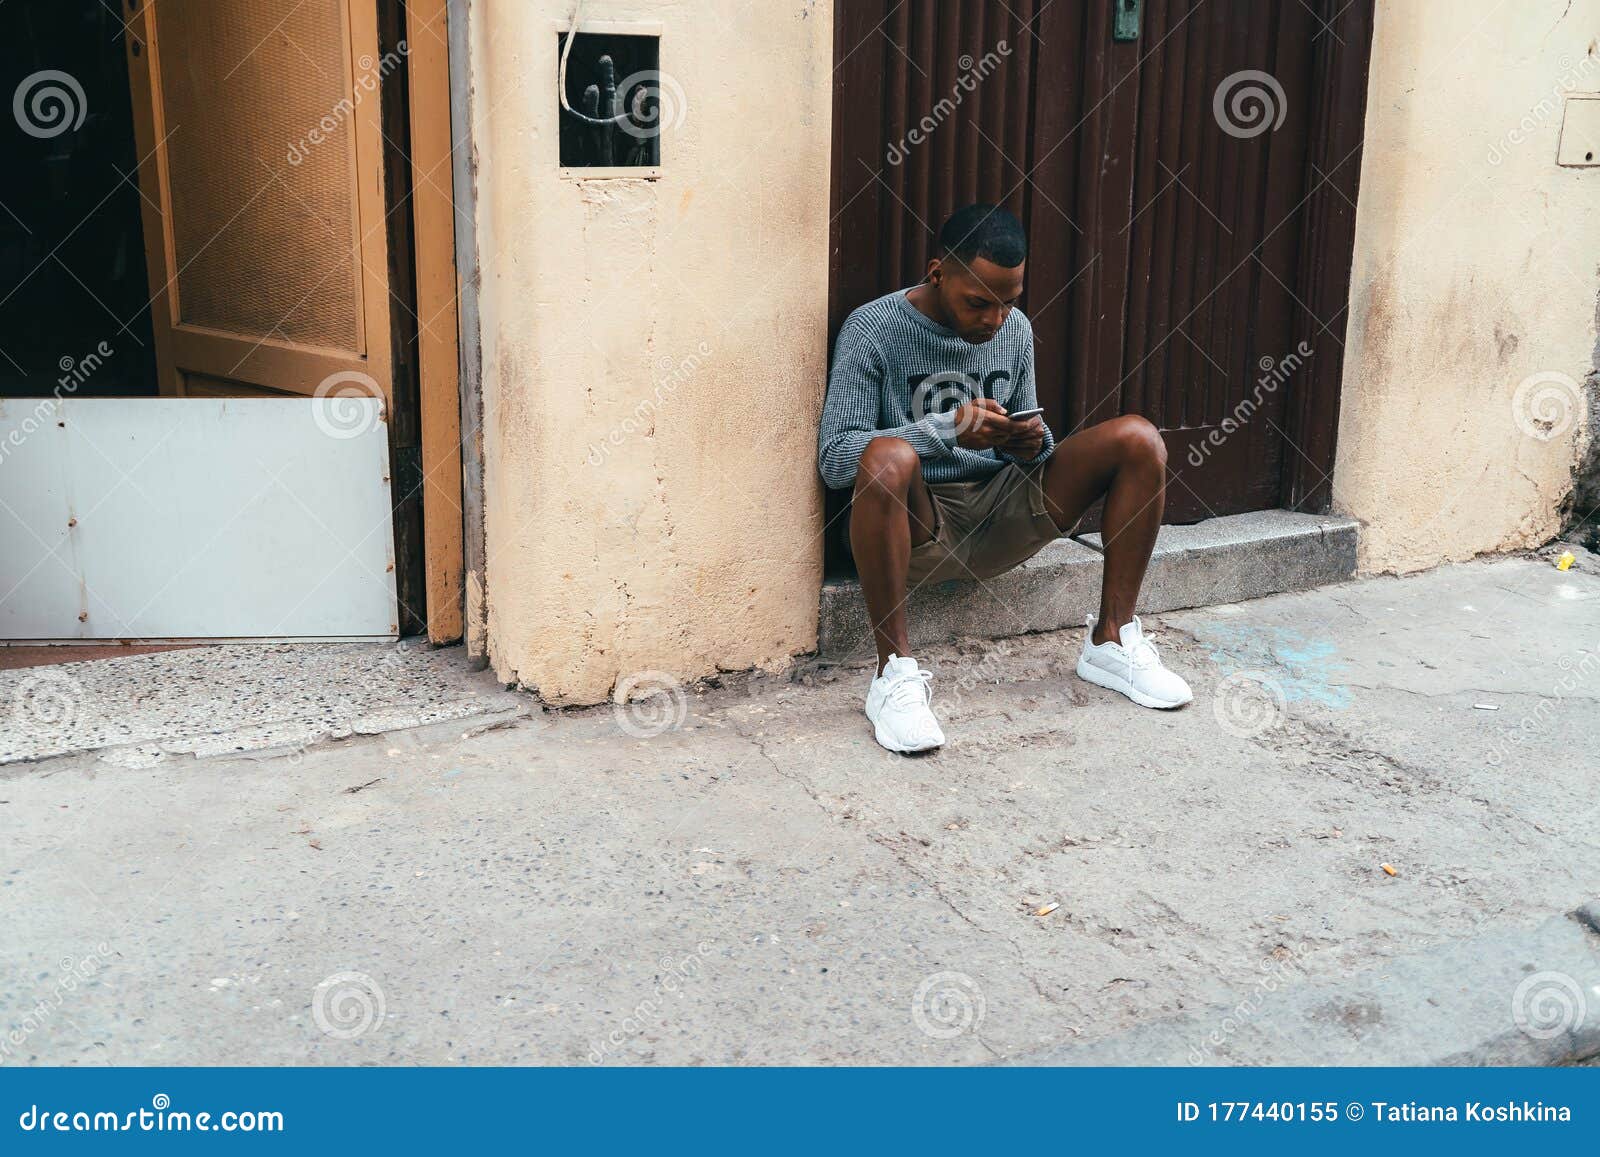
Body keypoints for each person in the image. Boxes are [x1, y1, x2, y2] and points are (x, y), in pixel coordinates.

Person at [818, 203, 1192, 754]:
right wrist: (946, 429)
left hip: (1005, 509)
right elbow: (835, 459)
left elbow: (1036, 439)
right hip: (921, 525)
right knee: (888, 457)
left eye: (1009, 302)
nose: (995, 320)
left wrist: (1029, 441)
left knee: (1139, 439)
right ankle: (893, 675)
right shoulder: (872, 329)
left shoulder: (1013, 329)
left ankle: (1112, 640)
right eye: (979, 303)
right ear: (937, 273)